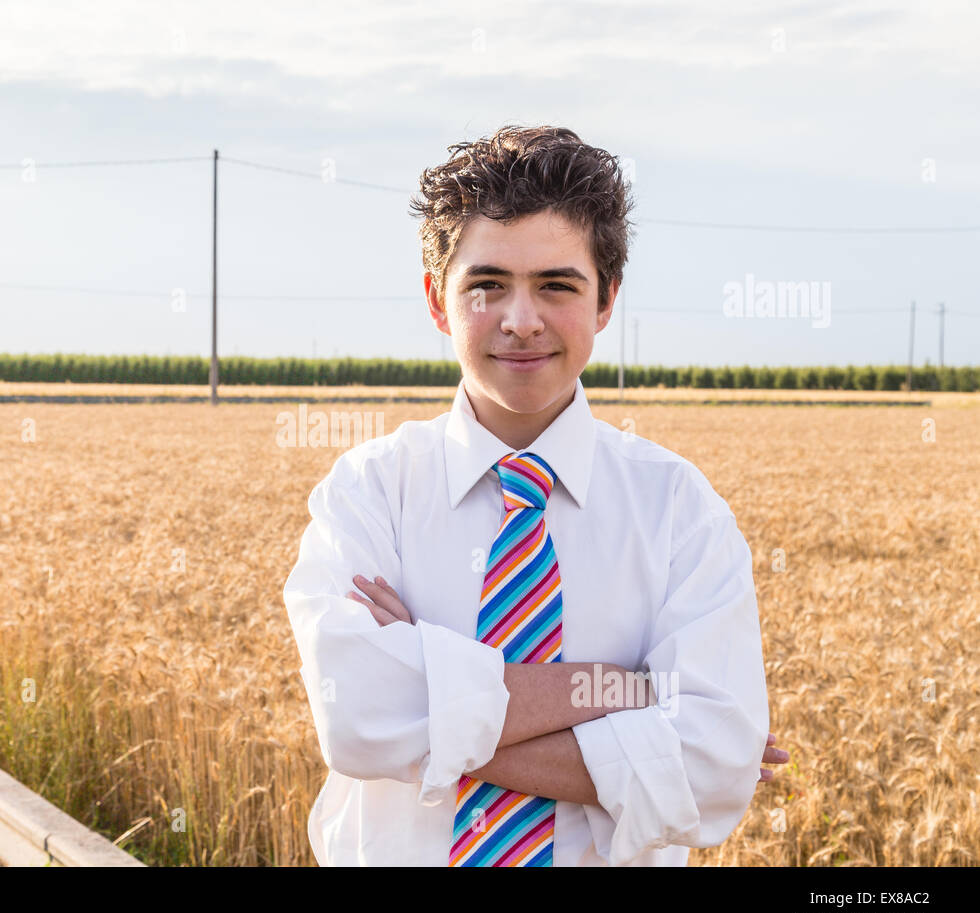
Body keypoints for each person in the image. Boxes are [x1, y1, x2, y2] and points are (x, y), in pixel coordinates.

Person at [282, 124, 788, 867]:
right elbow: (356, 715)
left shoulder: (679, 509)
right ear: (436, 299)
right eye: (487, 285)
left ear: (607, 298)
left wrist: (433, 708)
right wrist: (618, 692)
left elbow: (713, 769)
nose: (521, 320)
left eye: (556, 284)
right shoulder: (368, 492)